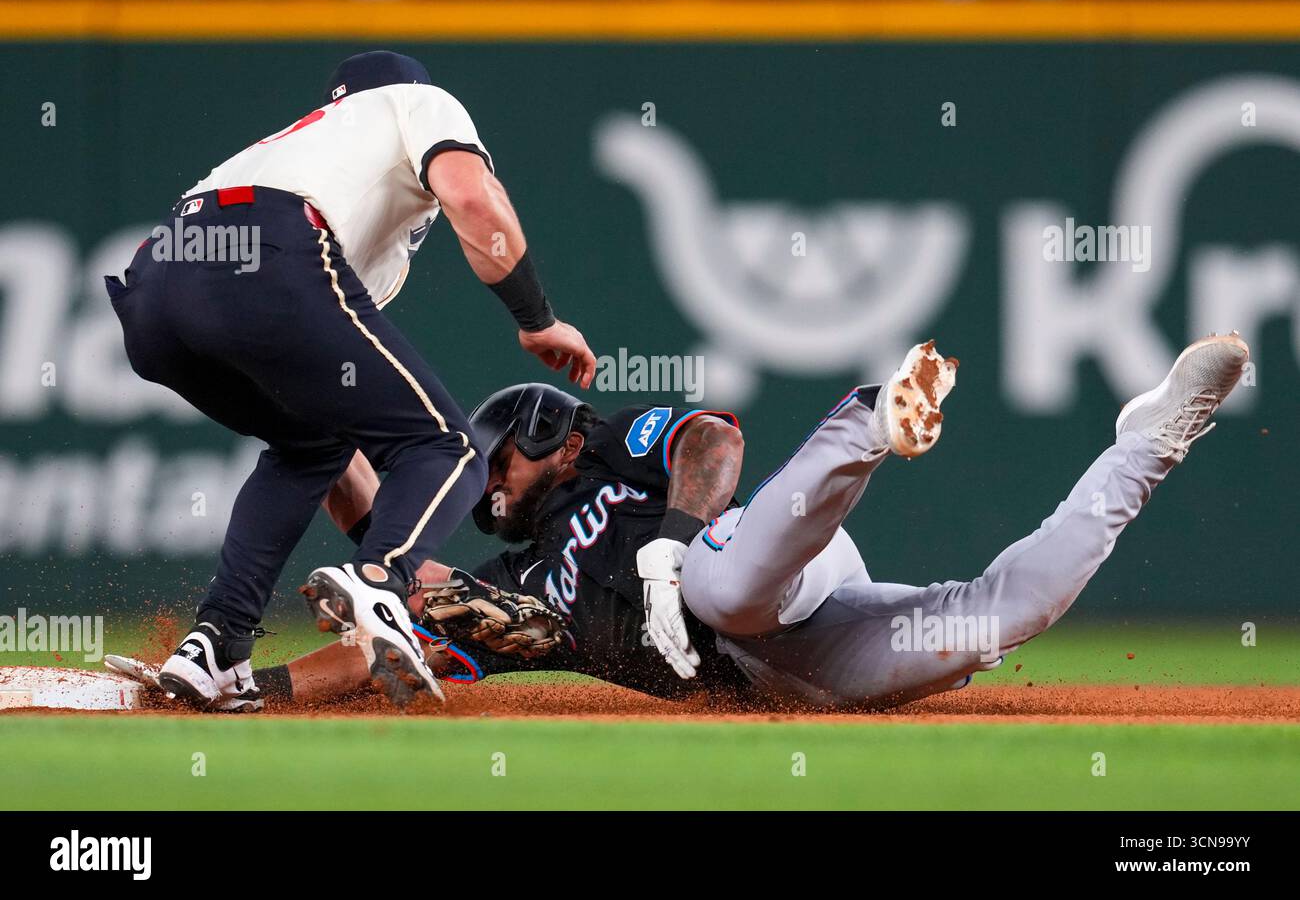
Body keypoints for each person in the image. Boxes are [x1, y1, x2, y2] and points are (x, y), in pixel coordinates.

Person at [110, 334, 1249, 711]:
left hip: (762, 562)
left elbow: (716, 432)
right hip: (790, 665)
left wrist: (671, 530)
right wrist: (251, 687)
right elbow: (384, 629)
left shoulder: (610, 447)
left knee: (716, 584)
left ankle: (871, 414)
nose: (478, 485)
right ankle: (1148, 438)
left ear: (545, 432)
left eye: (492, 461)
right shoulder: (528, 587)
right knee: (1007, 614)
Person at [107, 50, 596, 712]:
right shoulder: (413, 102)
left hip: (153, 291)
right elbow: (472, 196)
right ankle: (378, 583)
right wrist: (536, 318)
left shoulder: (296, 155)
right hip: (269, 246)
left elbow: (339, 436)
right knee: (449, 448)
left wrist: (401, 552)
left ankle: (216, 644)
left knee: (311, 445)